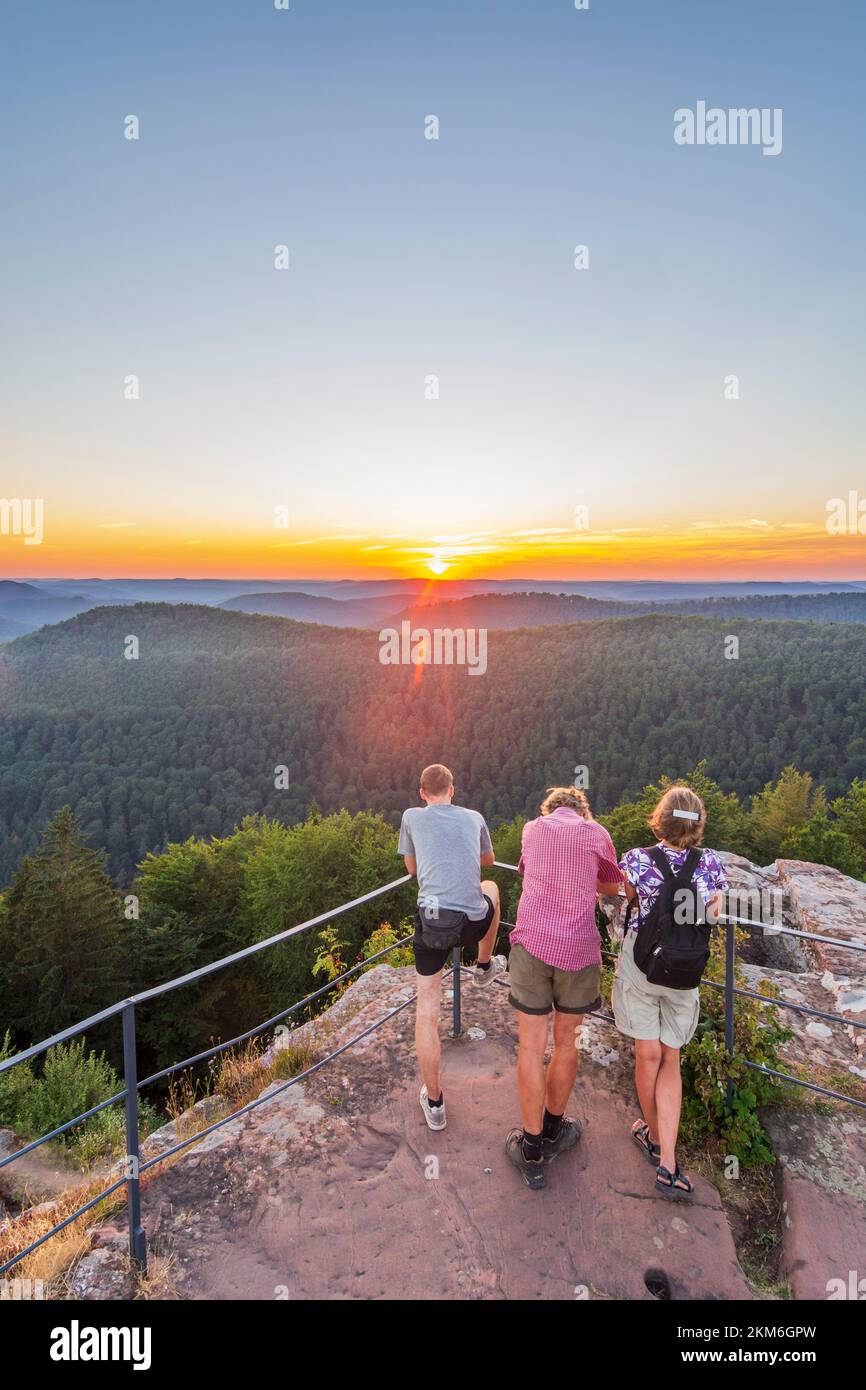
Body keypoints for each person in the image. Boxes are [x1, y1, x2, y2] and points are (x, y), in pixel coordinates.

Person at [612, 785, 727, 1201]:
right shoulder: (710, 862)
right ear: (698, 825)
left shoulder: (637, 859)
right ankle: (669, 1163)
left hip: (643, 965)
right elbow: (714, 914)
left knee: (647, 1055)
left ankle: (654, 1136)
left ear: (660, 820)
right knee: (670, 1059)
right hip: (684, 971)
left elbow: (630, 901)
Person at [505, 787, 623, 1189]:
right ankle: (555, 1130)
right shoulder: (597, 834)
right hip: (577, 948)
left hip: (532, 944)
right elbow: (612, 887)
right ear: (582, 811)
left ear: (549, 810)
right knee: (567, 1043)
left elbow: (527, 870)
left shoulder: (532, 829)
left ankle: (531, 1148)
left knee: (530, 1047)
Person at [398, 764, 502, 1131]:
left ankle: (435, 1103)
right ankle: (484, 965)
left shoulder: (411, 817)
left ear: (422, 793)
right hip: (471, 924)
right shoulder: (473, 817)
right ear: (452, 790)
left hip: (432, 925)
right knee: (491, 889)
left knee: (427, 1011)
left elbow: (412, 869)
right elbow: (488, 862)